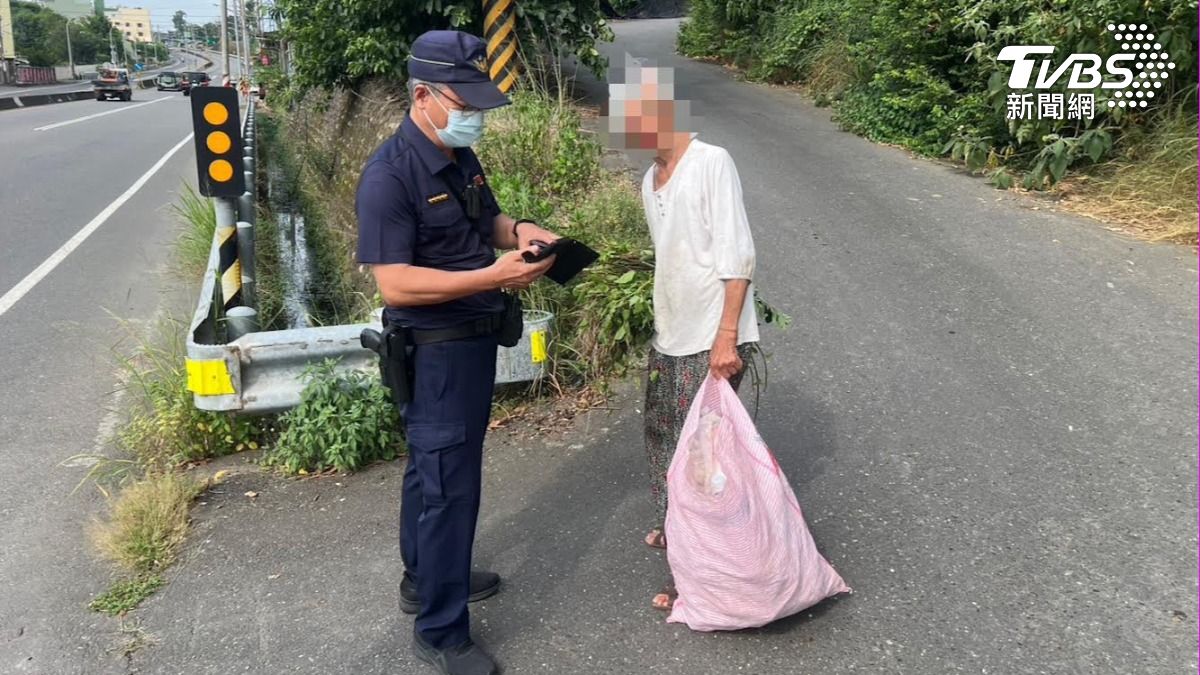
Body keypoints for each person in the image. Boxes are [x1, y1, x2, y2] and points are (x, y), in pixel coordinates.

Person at [355, 30, 560, 675]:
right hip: (435, 353)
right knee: (449, 487)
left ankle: (425, 578)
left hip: (471, 344)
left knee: (431, 472)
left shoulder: (458, 154)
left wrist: (520, 232)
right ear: (423, 96)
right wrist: (491, 277)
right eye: (463, 102)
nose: (474, 116)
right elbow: (394, 283)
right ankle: (441, 633)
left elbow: (485, 219)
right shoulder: (389, 176)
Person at [607, 61, 759, 611]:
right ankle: (676, 528)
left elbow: (738, 255)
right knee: (662, 440)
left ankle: (705, 579)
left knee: (703, 460)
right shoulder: (651, 180)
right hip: (670, 335)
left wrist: (727, 337)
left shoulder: (711, 162)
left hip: (710, 336)